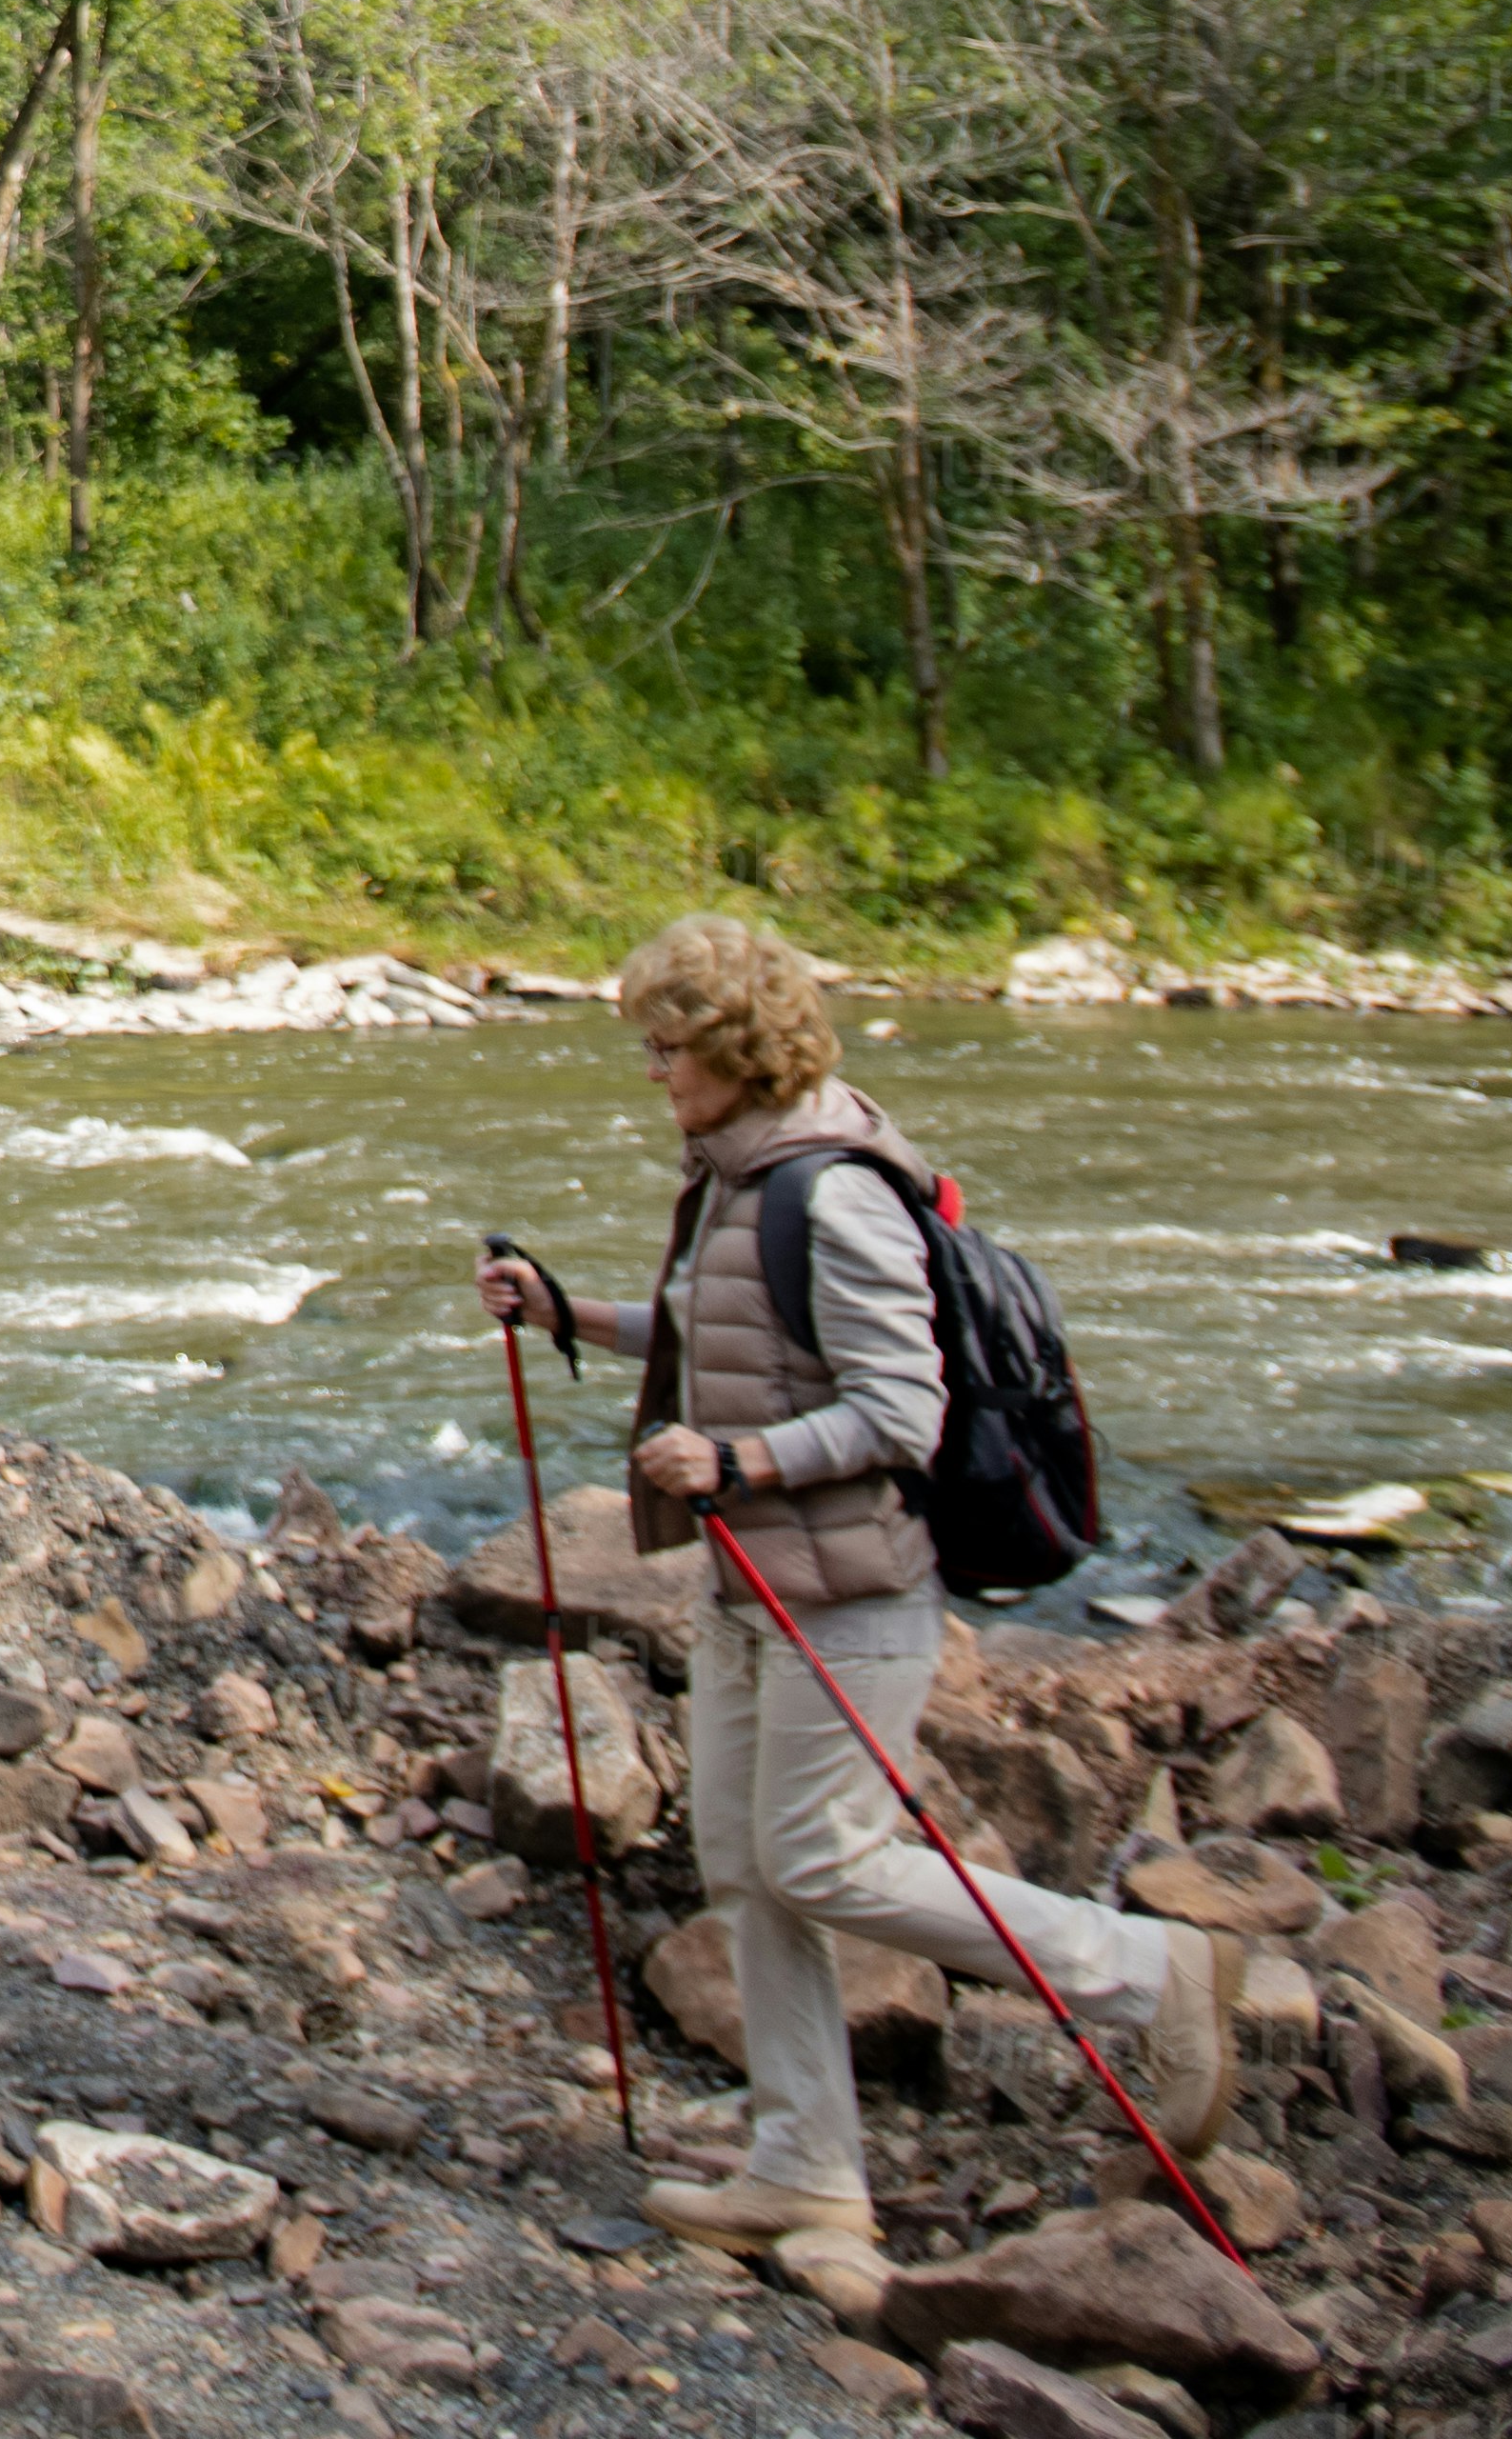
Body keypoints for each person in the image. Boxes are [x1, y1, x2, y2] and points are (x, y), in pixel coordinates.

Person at [483, 913, 1228, 2304]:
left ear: (733, 1048)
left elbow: (902, 1411)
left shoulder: (832, 1193)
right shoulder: (732, 1176)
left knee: (824, 1861)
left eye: (666, 1047)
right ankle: (806, 2162)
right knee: (748, 1869)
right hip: (749, 1586)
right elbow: (717, 1328)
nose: (650, 1071)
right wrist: (566, 1310)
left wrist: (739, 1460)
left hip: (855, 1596)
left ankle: (1149, 1972)